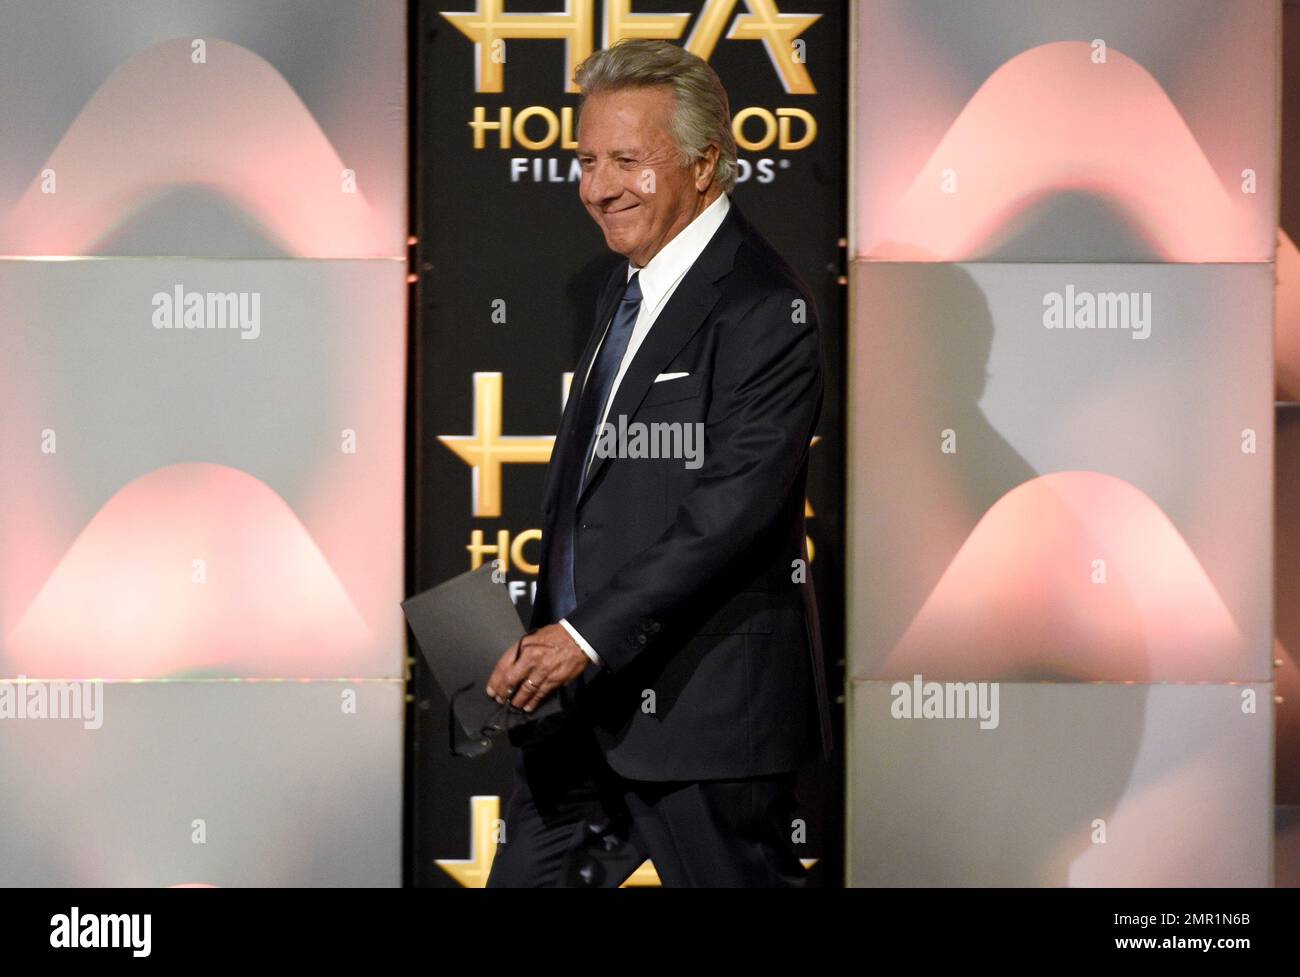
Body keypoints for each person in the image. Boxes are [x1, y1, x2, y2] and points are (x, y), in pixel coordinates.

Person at [483, 38, 833, 888]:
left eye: (627, 161)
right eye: (587, 159)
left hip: (701, 713)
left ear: (706, 162)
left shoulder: (762, 307)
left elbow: (729, 514)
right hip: (580, 711)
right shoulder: (626, 283)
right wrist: (549, 630)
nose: (598, 187)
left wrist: (583, 634)